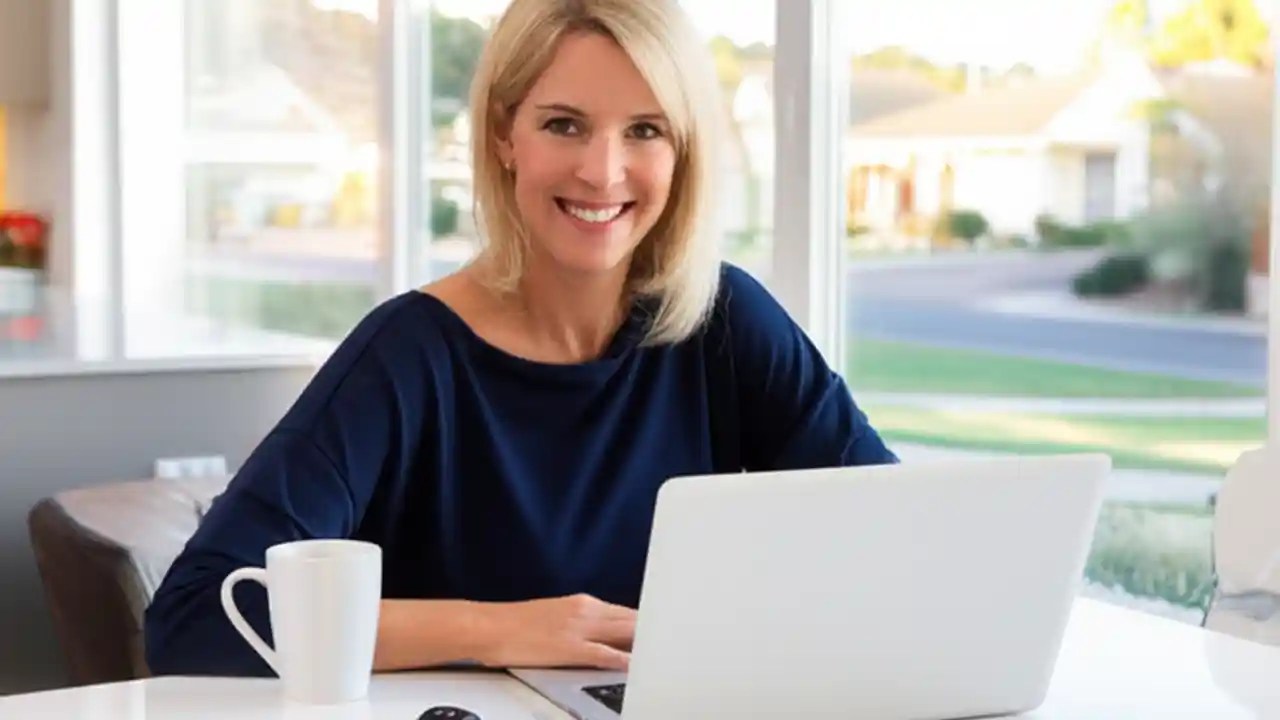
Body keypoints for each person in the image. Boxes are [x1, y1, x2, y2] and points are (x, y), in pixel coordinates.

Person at [144, 0, 897, 678]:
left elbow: (898, 536)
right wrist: (497, 629)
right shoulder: (407, 356)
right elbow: (197, 616)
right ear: (505, 134)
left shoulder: (725, 319)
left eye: (645, 130)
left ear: (683, 150)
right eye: (563, 124)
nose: (603, 172)